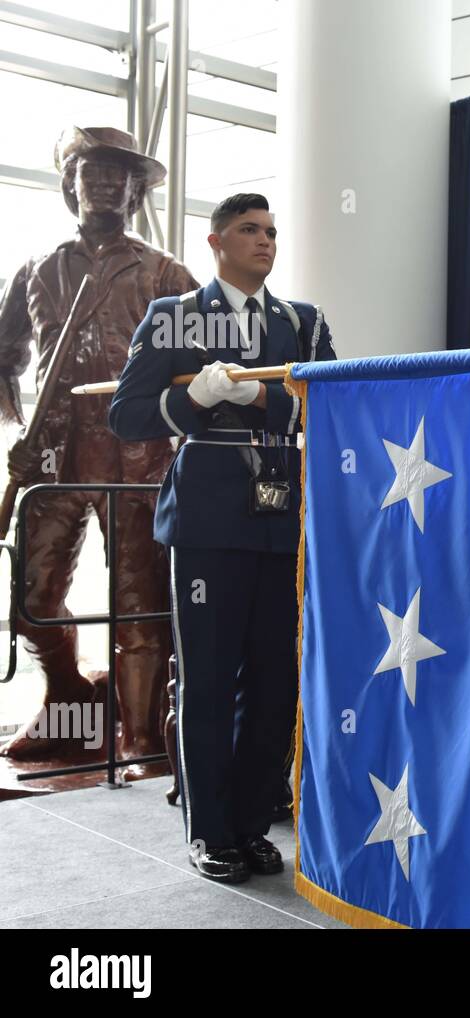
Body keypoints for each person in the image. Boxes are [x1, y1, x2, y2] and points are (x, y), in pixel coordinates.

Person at [109, 193, 335, 883]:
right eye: (249, 230)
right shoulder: (173, 319)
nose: (265, 241)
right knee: (207, 680)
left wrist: (259, 397)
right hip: (209, 517)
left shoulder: (302, 321)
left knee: (275, 683)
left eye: (271, 231)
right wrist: (195, 401)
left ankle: (249, 825)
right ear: (215, 242)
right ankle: (208, 831)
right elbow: (127, 416)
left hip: (280, 515)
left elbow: (328, 406)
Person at [0, 126, 197, 767]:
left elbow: (201, 368)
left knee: (140, 604)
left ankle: (141, 736)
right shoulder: (38, 269)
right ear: (71, 184)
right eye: (93, 173)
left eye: (120, 175)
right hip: (55, 457)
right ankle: (72, 706)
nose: (106, 184)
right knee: (32, 601)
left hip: (136, 458)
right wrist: (16, 432)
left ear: (136, 191)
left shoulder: (167, 274)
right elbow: (5, 354)